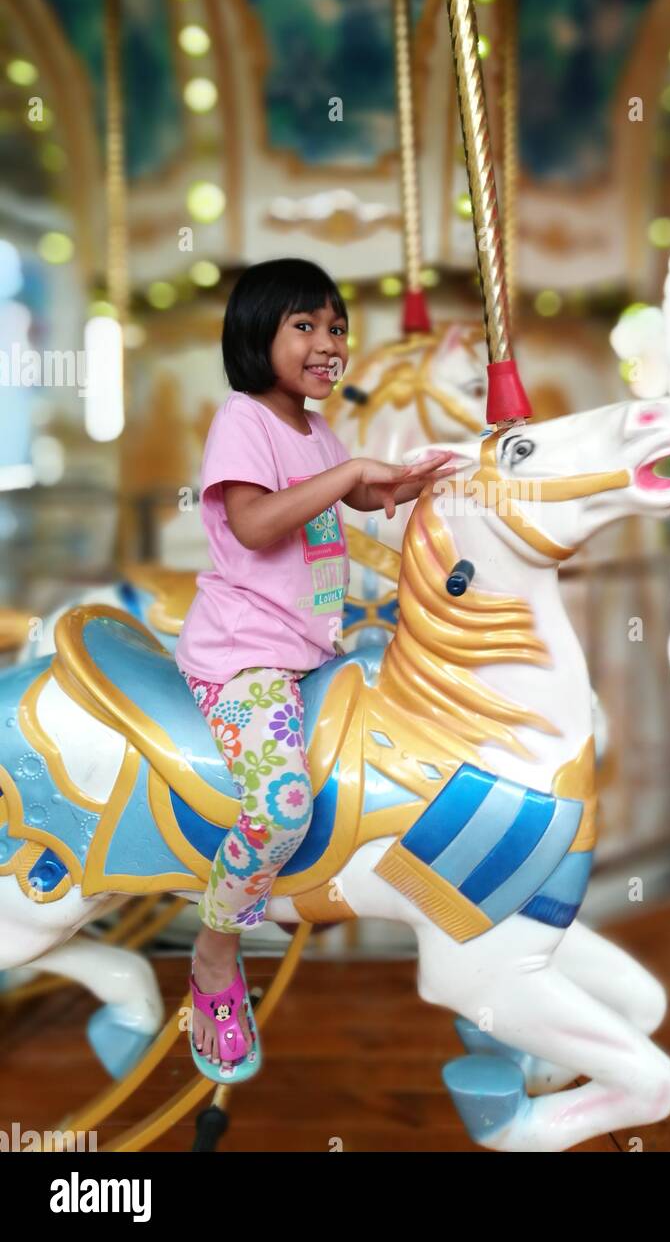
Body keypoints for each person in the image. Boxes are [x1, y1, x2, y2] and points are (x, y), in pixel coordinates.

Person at [174, 258, 458, 1081]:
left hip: (310, 655)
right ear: (255, 335)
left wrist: (400, 484)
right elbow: (259, 523)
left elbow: (348, 500)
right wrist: (347, 473)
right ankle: (217, 952)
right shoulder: (243, 418)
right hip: (244, 661)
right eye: (305, 325)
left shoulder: (311, 426)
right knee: (282, 804)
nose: (328, 342)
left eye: (335, 327)